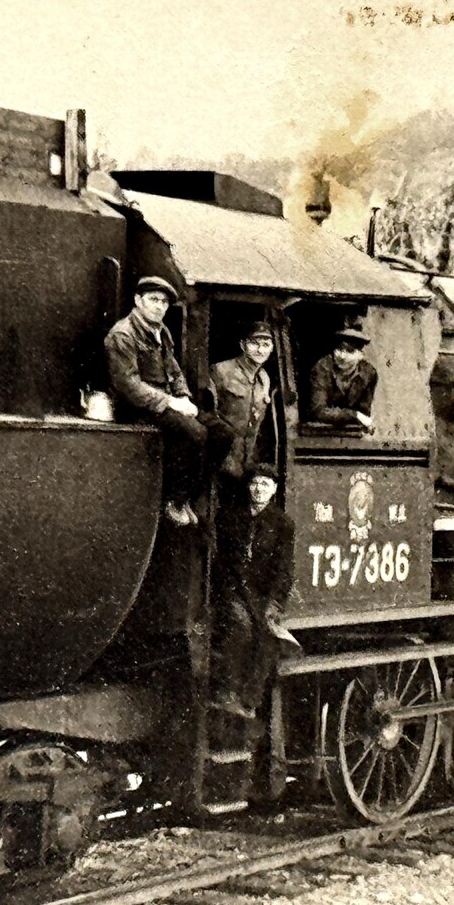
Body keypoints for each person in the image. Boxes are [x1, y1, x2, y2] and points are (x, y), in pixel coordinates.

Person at [105, 276, 205, 526]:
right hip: (137, 407)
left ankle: (185, 498)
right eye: (153, 300)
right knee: (195, 434)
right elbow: (129, 386)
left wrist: (183, 396)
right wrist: (171, 402)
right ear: (138, 300)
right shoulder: (122, 334)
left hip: (165, 402)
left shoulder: (161, 332)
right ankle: (173, 501)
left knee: (222, 433)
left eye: (164, 302)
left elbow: (174, 369)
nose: (159, 306)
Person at [211, 466, 296, 725]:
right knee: (240, 626)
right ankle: (227, 691)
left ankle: (249, 700)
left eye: (265, 485)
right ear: (248, 487)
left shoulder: (282, 524)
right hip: (233, 589)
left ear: (274, 490)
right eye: (255, 484)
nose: (259, 489)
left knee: (268, 636)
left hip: (260, 594)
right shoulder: (229, 517)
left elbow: (283, 569)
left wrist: (273, 603)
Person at [207, 319, 275, 482]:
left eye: (266, 345)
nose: (260, 350)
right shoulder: (221, 371)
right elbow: (207, 413)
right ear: (242, 345)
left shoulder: (264, 378)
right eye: (254, 343)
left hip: (248, 462)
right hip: (222, 458)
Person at [308, 324, 378, 431]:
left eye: (350, 351)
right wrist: (354, 415)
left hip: (348, 435)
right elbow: (318, 410)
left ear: (361, 355)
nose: (342, 356)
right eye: (339, 349)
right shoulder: (322, 368)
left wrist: (359, 418)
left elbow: (364, 413)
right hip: (318, 432)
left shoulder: (368, 373)